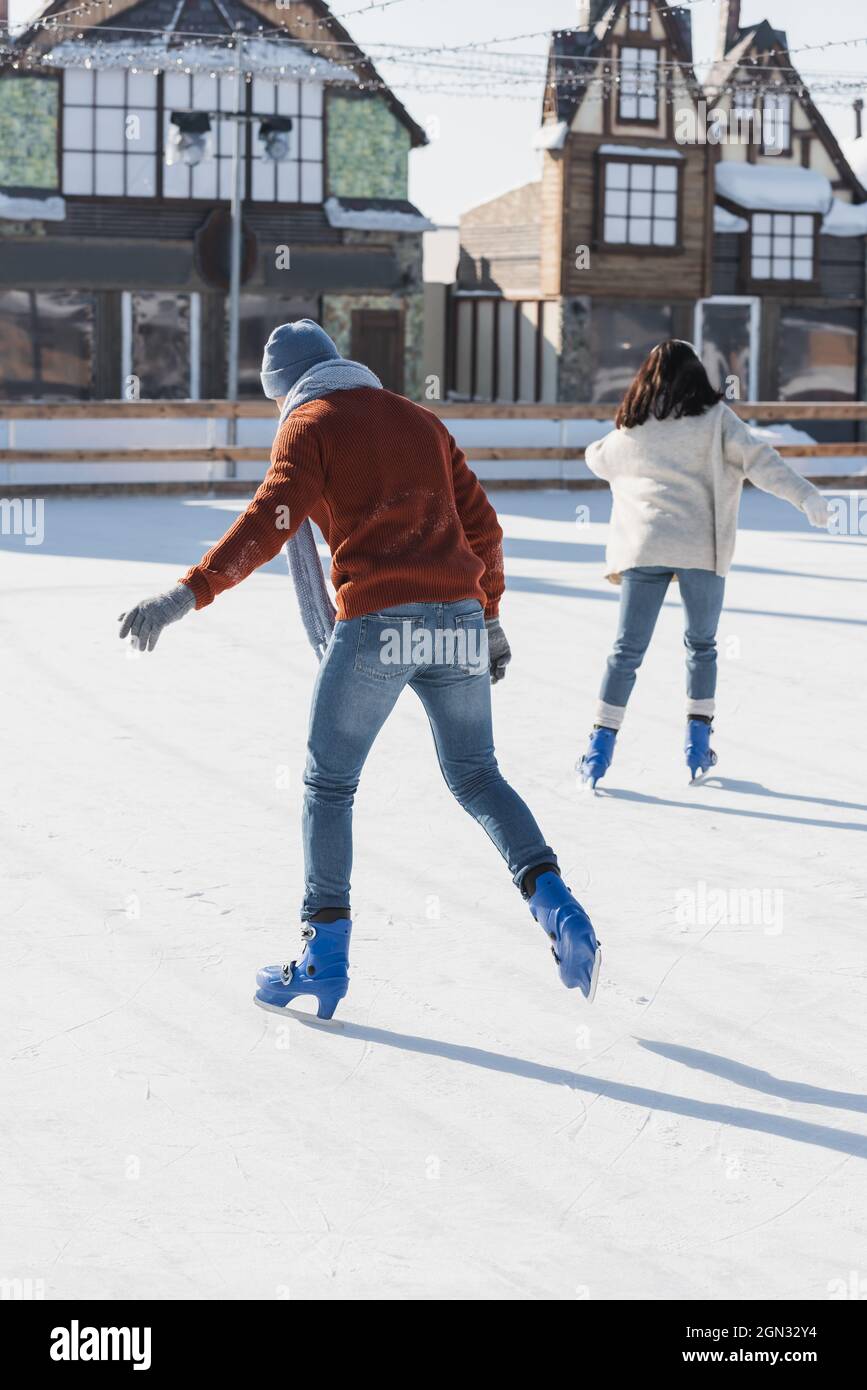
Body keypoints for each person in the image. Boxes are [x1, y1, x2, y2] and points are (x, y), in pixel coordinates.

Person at [118, 320, 601, 1017]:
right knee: (476, 774)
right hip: (457, 619)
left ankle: (324, 958)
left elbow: (269, 520)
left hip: (380, 621)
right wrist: (487, 618)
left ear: (282, 389)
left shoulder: (308, 424)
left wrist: (185, 593)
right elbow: (483, 530)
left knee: (329, 784)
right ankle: (557, 905)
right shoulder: (419, 420)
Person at [579, 339, 830, 787]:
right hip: (700, 547)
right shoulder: (716, 422)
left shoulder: (634, 425)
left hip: (645, 547)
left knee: (626, 650)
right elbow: (762, 462)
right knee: (701, 645)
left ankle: (600, 746)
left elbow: (596, 458)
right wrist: (807, 496)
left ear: (647, 379)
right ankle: (697, 741)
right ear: (698, 374)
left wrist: (625, 432)